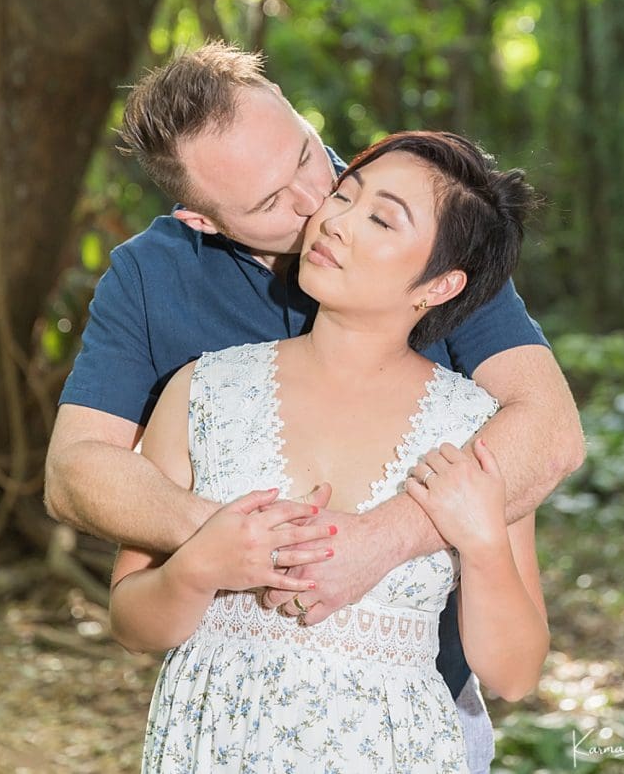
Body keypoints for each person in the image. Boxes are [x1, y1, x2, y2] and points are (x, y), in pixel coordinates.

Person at [45, 43, 584, 771]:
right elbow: (75, 472)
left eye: (307, 154)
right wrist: (238, 543)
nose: (318, 203)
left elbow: (548, 434)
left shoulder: (419, 221)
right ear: (201, 220)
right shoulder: (165, 306)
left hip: (415, 707)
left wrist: (379, 542)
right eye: (269, 203)